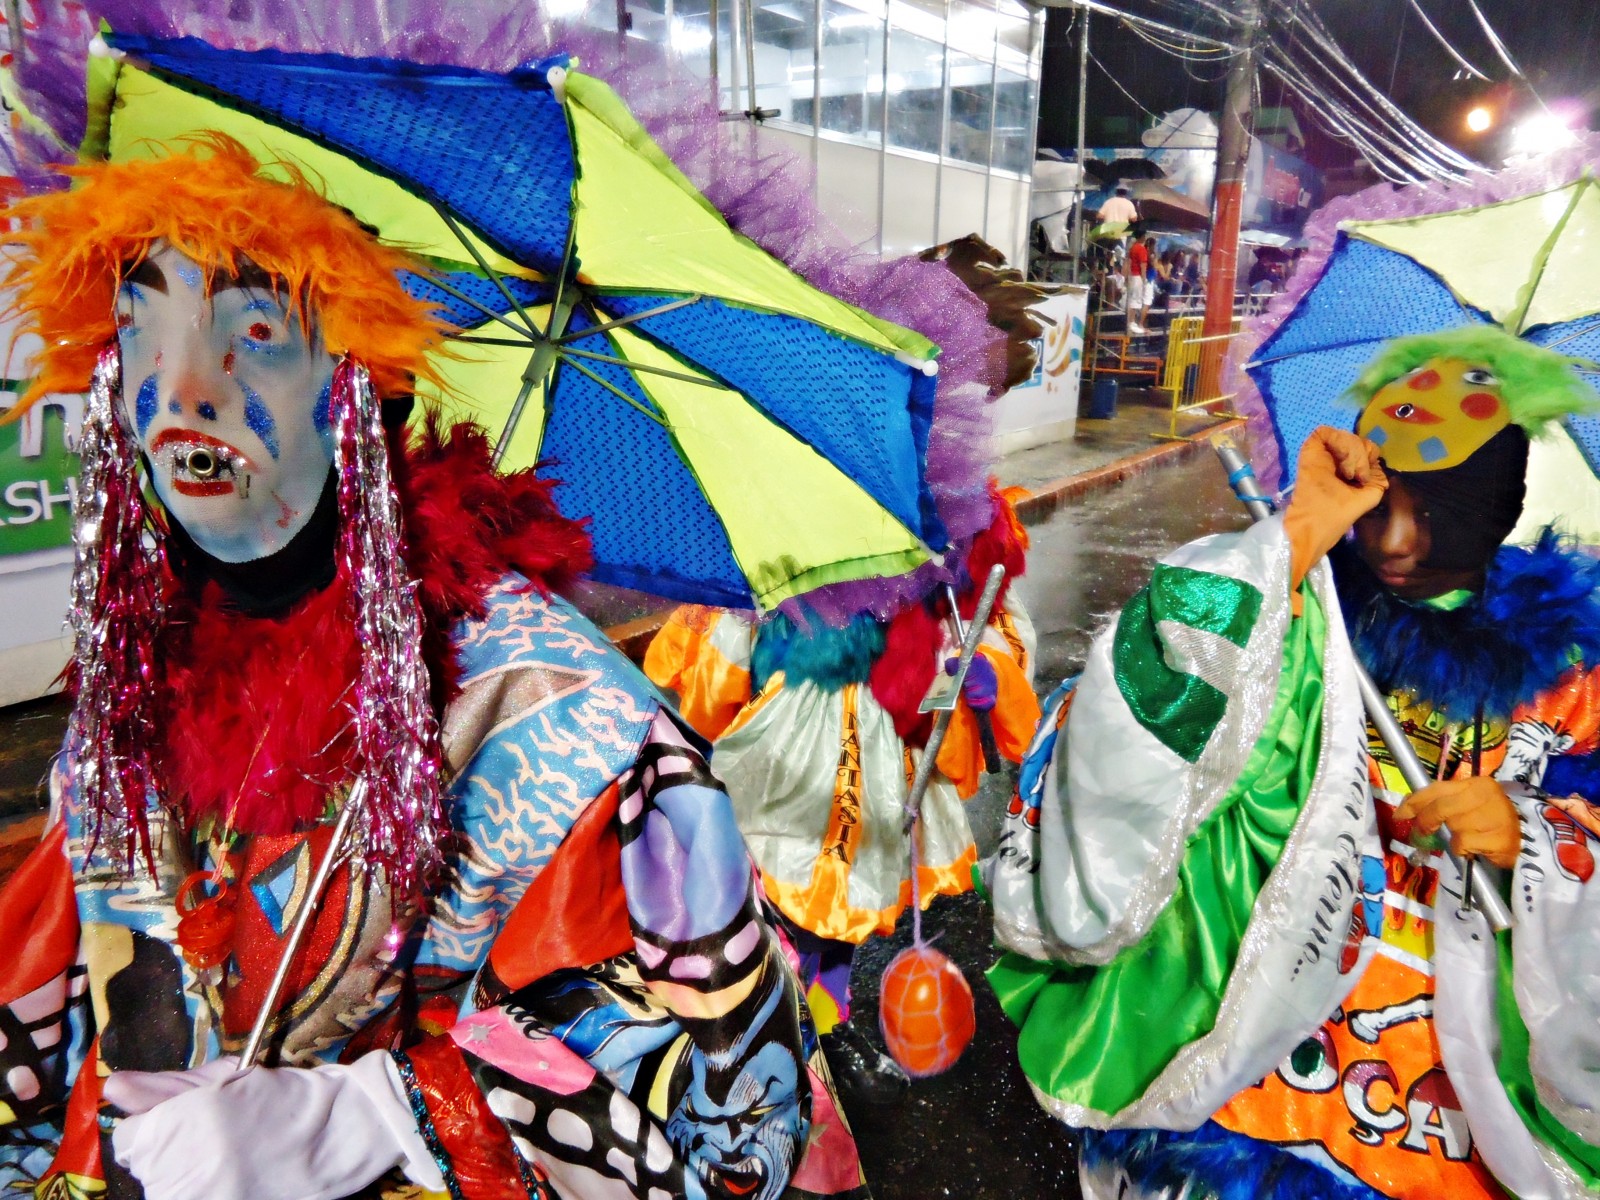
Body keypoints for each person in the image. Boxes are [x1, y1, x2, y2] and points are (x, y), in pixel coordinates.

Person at [0, 139, 867, 1200]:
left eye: (255, 334)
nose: (184, 387)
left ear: (367, 388)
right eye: (142, 331)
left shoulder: (563, 715)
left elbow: (740, 1129)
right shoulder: (132, 692)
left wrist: (388, 1119)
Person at [986, 325, 1600, 1199]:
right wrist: (1301, 534)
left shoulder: (1573, 674)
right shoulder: (1301, 601)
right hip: (1254, 1057)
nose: (1393, 545)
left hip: (1456, 1096)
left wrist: (1533, 834)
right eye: (1386, 504)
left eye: (1439, 515)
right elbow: (1145, 704)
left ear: (1497, 511)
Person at [645, 487, 1040, 1102]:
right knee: (765, 910)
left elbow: (984, 623)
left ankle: (822, 1037)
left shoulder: (950, 506)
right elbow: (719, 650)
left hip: (888, 752)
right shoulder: (779, 502)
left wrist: (980, 674)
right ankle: (758, 1048)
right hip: (788, 752)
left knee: (842, 918)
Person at [1125, 235, 1152, 334]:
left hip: (1132, 275)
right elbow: (1143, 266)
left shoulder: (1132, 248)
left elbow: (1129, 262)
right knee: (1136, 300)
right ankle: (1131, 322)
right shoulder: (1141, 249)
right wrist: (1144, 279)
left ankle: (1131, 322)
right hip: (1138, 277)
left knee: (1133, 298)